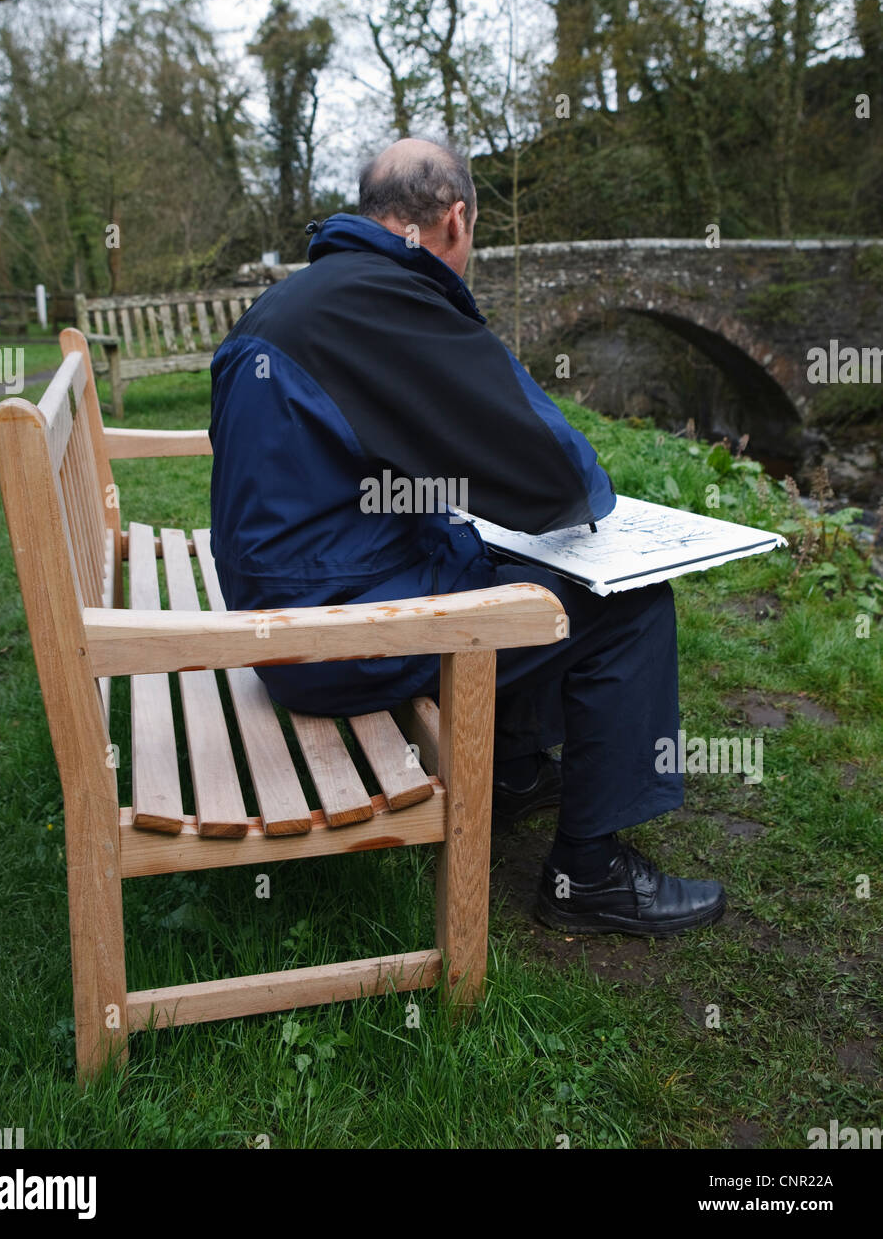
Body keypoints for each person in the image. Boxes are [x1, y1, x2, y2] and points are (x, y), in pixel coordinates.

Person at [209, 137, 726, 937]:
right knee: (627, 604)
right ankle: (588, 877)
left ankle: (512, 773)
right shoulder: (392, 303)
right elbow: (563, 479)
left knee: (489, 555)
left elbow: (335, 468)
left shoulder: (297, 299)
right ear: (456, 219)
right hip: (330, 640)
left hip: (282, 613)